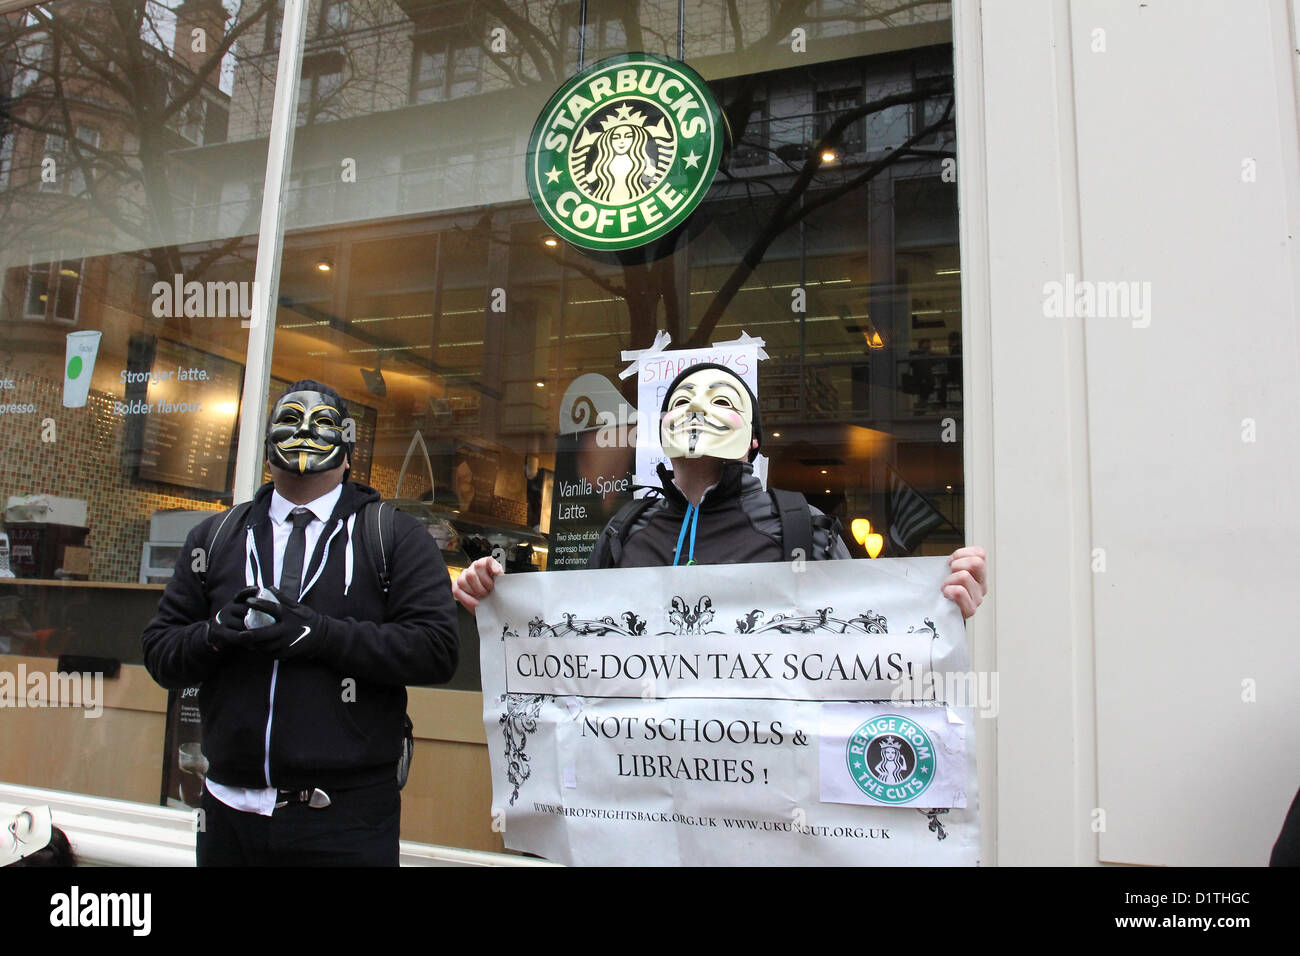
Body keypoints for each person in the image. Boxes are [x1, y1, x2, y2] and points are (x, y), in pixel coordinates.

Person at [142, 380, 459, 866]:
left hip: (344, 819)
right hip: (228, 817)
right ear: (267, 444)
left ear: (349, 451)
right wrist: (213, 635)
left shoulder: (394, 536)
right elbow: (160, 652)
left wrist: (319, 634)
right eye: (289, 422)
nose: (304, 434)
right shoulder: (216, 537)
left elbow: (436, 649)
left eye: (323, 424)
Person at [453, 362, 987, 616]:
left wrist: (939, 611)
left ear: (754, 442)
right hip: (642, 783)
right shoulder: (625, 530)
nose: (697, 412)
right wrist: (498, 611)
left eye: (722, 402)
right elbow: (573, 637)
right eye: (681, 402)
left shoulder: (802, 530)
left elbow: (861, 633)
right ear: (660, 433)